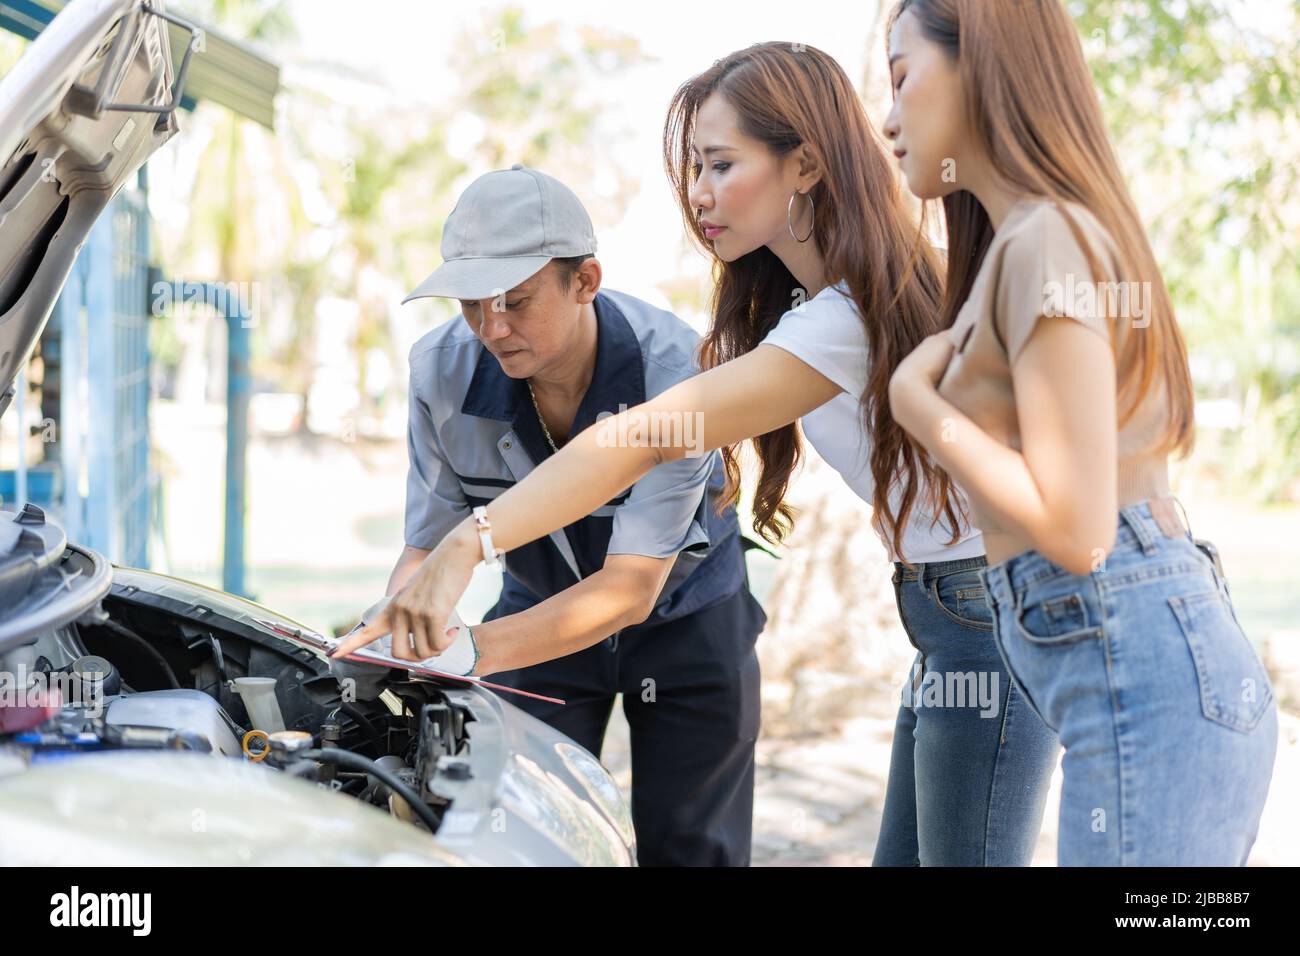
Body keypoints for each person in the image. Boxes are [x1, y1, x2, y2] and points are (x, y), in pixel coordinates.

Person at [336, 44, 1060, 866]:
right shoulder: (815, 312)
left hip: (990, 612)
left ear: (806, 164)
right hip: (949, 615)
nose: (700, 194)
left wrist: (474, 542)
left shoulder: (840, 320)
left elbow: (639, 440)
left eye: (720, 164)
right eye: (695, 168)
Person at [881, 0, 1277, 865]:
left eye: (901, 76)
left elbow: (1076, 530)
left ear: (979, 62)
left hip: (1154, 686)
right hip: (1164, 676)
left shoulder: (1047, 237)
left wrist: (920, 406)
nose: (886, 119)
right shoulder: (1029, 241)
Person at [366, 164, 768, 866]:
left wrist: (467, 652)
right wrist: (397, 628)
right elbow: (428, 545)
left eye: (515, 302)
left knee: (693, 848)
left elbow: (628, 590)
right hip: (538, 617)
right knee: (518, 838)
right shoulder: (438, 372)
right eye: (469, 305)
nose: (490, 328)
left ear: (584, 282)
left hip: (687, 623)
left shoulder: (676, 368)